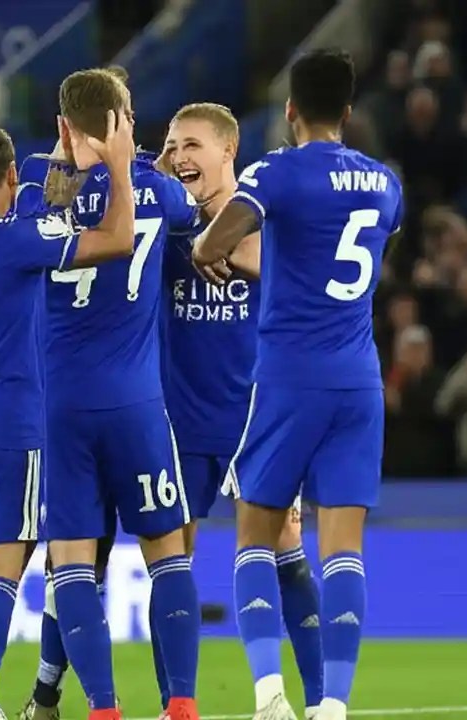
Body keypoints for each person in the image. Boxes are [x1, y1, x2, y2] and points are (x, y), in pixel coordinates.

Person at [191, 49, 404, 720]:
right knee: (344, 551)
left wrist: (208, 253)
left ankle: (270, 696)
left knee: (255, 535)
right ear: (348, 111)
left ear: (289, 110)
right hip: (358, 379)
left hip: (288, 376)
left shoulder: (276, 172)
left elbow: (215, 240)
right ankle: (334, 704)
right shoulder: (384, 182)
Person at [0, 116, 135, 720]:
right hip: (4, 421)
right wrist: (112, 168)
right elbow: (114, 238)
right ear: (12, 174)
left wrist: (60, 173)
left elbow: (40, 220)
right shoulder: (14, 240)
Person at [13, 68, 202, 720]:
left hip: (60, 407)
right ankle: (180, 703)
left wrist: (68, 164)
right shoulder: (155, 189)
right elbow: (191, 215)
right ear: (126, 120)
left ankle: (101, 707)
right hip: (139, 405)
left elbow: (41, 210)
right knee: (166, 552)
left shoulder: (38, 193)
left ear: (64, 125)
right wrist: (132, 165)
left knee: (69, 562)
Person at [158, 102, 325, 719]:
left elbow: (312, 281)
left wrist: (241, 255)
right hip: (182, 419)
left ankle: (315, 702)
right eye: (172, 145)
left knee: (285, 549)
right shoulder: (164, 226)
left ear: (230, 151)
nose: (180, 156)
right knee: (172, 559)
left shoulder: (266, 221)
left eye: (193, 145)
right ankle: (178, 703)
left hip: (258, 413)